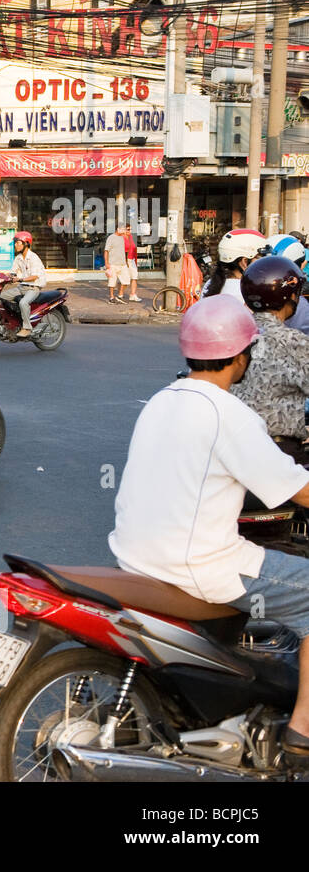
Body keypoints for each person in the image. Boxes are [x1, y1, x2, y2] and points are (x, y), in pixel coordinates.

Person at [109, 294, 309, 757]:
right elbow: (296, 489)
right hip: (198, 565)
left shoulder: (162, 400)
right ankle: (302, 731)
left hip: (134, 555)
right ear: (242, 356)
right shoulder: (231, 416)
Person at [230, 256, 309, 465]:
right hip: (279, 453)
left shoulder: (232, 334)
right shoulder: (294, 342)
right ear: (292, 296)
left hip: (231, 448)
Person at [2, 231, 46, 337]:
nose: (15, 245)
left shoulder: (33, 257)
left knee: (23, 303)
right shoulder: (19, 258)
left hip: (33, 288)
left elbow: (34, 276)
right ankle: (15, 319)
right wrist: (2, 277)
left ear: (26, 243)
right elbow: (13, 271)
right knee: (2, 296)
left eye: (18, 242)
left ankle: (27, 328)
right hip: (22, 287)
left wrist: (19, 279)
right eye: (15, 243)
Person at [204, 229, 266, 299]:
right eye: (262, 257)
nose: (266, 263)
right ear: (245, 262)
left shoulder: (210, 283)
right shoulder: (247, 293)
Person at [103, 227, 130, 304]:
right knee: (112, 281)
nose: (124, 231)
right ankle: (111, 297)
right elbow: (106, 251)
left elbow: (127, 248)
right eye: (123, 229)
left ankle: (120, 295)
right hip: (113, 263)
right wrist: (106, 262)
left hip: (122, 263)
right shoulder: (111, 238)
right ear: (118, 229)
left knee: (126, 280)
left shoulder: (123, 238)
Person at [120, 225, 142, 302]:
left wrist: (135, 261)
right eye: (128, 229)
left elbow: (134, 249)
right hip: (125, 260)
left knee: (134, 277)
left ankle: (133, 294)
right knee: (125, 278)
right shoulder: (121, 238)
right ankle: (121, 294)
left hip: (131, 260)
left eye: (130, 229)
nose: (130, 231)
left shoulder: (131, 237)